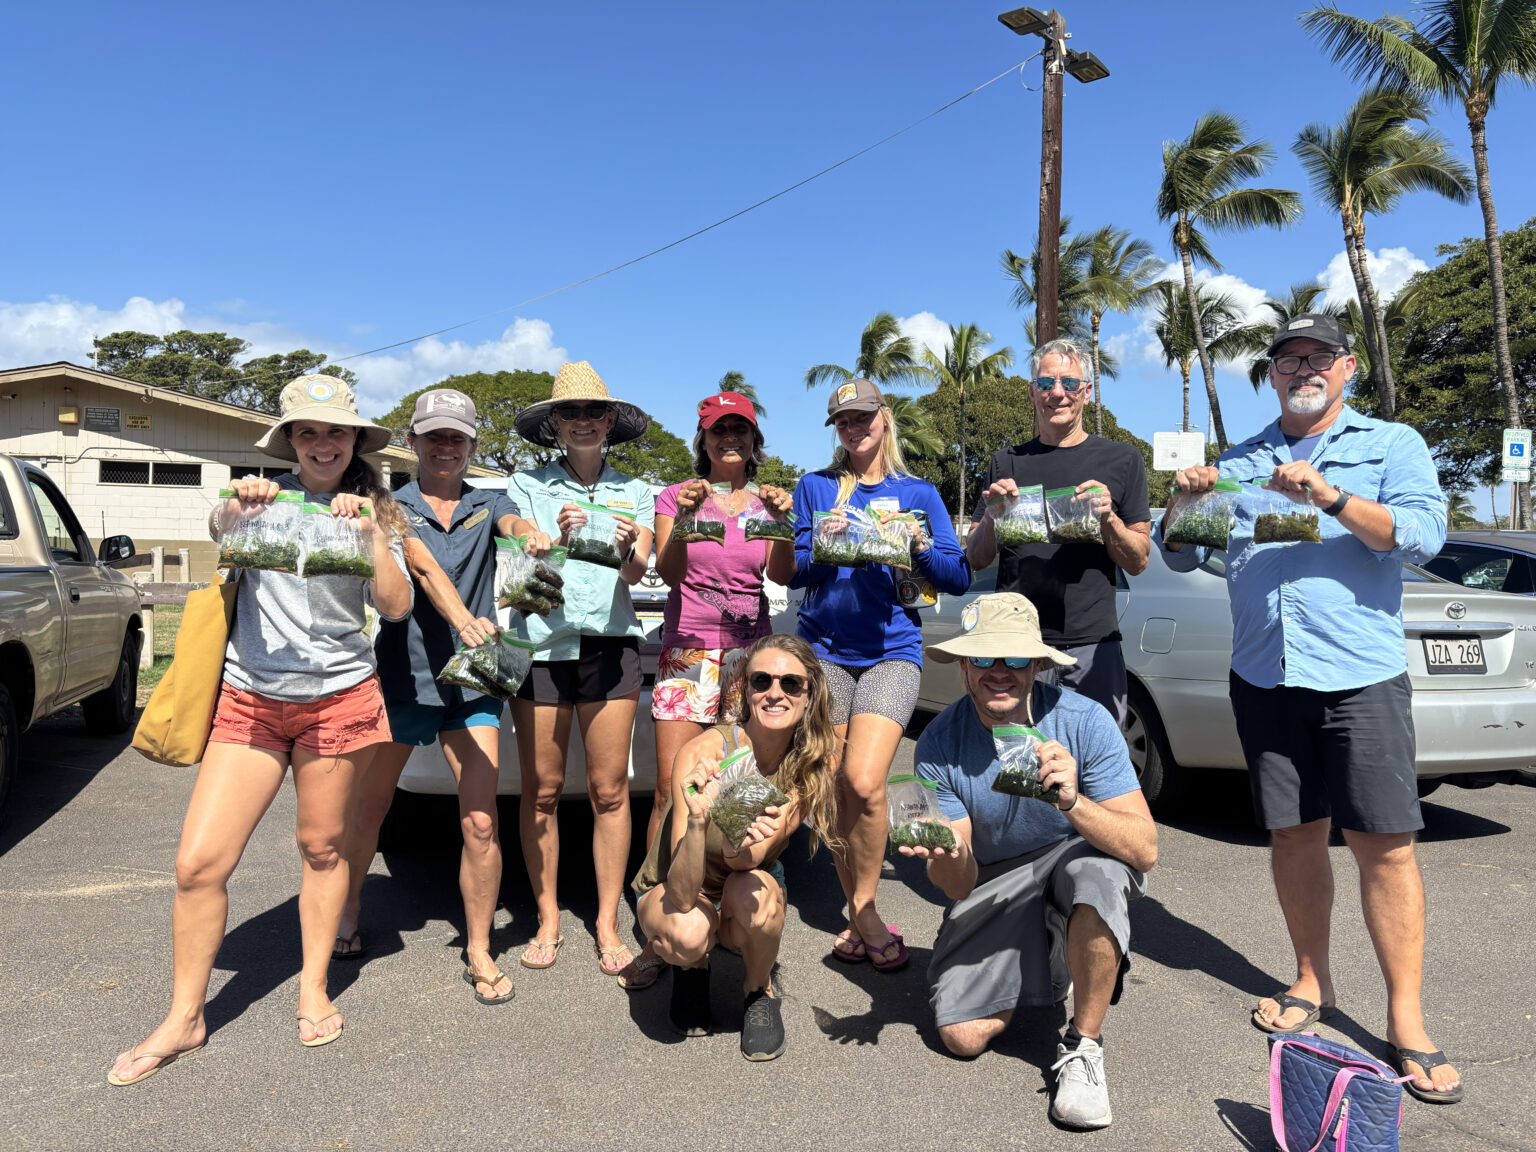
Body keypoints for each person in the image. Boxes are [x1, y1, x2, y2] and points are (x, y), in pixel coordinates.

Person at [1160, 313, 1460, 1104]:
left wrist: (1331, 494)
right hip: (1263, 675)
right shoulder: (1241, 458)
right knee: (1294, 835)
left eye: (1316, 355)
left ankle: (1408, 1020)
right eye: (1287, 358)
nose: (1302, 368)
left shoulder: (1391, 444)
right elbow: (1181, 549)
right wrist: (1181, 501)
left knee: (1385, 846)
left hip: (1360, 676)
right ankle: (1309, 980)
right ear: (1272, 374)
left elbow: (1423, 536)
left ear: (1347, 366)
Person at [108, 375, 413, 1085]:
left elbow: (395, 609)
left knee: (322, 848)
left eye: (336, 432)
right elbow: (216, 529)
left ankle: (312, 987)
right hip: (249, 701)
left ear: (356, 443)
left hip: (339, 701)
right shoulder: (254, 501)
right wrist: (235, 503)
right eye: (307, 432)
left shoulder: (371, 512)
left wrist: (369, 534)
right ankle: (185, 1015)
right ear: (290, 444)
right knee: (198, 863)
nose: (323, 442)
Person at [906, 593, 1156, 1130]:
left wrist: (1073, 801)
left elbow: (1144, 850)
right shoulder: (936, 744)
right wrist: (946, 852)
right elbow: (958, 883)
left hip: (1072, 859)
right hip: (996, 878)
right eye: (984, 658)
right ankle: (1052, 952)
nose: (1000, 672)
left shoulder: (1084, 721)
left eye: (1016, 658)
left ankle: (1085, 1046)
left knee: (1103, 871)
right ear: (963, 666)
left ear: (1039, 663)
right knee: (962, 1037)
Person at [340, 387, 550, 1006]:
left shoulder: (492, 502)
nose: (445, 446)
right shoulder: (390, 506)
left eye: (456, 437)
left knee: (481, 820)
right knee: (371, 809)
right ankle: (347, 907)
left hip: (475, 677)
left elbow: (512, 525)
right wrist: (463, 621)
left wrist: (529, 532)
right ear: (413, 442)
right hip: (402, 676)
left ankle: (479, 948)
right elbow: (422, 568)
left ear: (472, 446)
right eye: (433, 435)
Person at [792, 378, 970, 970]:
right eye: (843, 421)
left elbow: (956, 574)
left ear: (883, 418)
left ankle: (864, 907)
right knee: (838, 784)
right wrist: (823, 540)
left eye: (862, 417)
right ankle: (860, 914)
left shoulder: (918, 492)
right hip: (824, 651)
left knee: (867, 782)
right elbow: (792, 569)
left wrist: (918, 546)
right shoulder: (814, 487)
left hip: (893, 650)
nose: (853, 428)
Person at [622, 391, 796, 991]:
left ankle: (741, 916)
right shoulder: (676, 495)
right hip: (689, 649)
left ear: (753, 441)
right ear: (703, 439)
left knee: (747, 783)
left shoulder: (767, 499)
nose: (731, 440)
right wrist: (689, 517)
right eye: (719, 430)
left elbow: (780, 574)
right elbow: (668, 572)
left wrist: (783, 520)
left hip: (749, 654)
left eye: (741, 431)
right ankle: (663, 924)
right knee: (673, 788)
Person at [507, 361, 655, 977]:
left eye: (596, 412)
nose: (584, 423)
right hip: (540, 646)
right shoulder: (526, 483)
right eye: (571, 413)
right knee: (540, 791)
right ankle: (545, 916)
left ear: (611, 421)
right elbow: (516, 553)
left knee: (609, 790)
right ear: (554, 424)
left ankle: (605, 921)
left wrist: (628, 548)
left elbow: (637, 574)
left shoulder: (638, 489)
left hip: (610, 647)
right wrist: (543, 536)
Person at [632, 634, 840, 1059]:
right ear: (745, 688)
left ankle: (757, 989)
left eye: (791, 684)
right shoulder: (705, 751)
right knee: (686, 932)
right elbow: (680, 893)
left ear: (808, 694)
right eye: (761, 681)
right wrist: (697, 820)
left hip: (741, 879)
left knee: (756, 892)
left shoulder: (808, 766)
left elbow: (749, 859)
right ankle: (692, 969)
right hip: (681, 886)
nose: (775, 693)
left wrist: (732, 832)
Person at [966, 337, 1150, 725]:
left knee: (1096, 770)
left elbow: (1139, 560)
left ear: (1087, 392)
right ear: (1033, 392)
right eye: (1047, 384)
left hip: (1091, 645)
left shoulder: (1122, 459)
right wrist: (991, 518)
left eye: (1069, 383)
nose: (1057, 394)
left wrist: (1108, 519)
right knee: (1019, 768)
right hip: (1017, 648)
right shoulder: (1006, 462)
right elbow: (976, 557)